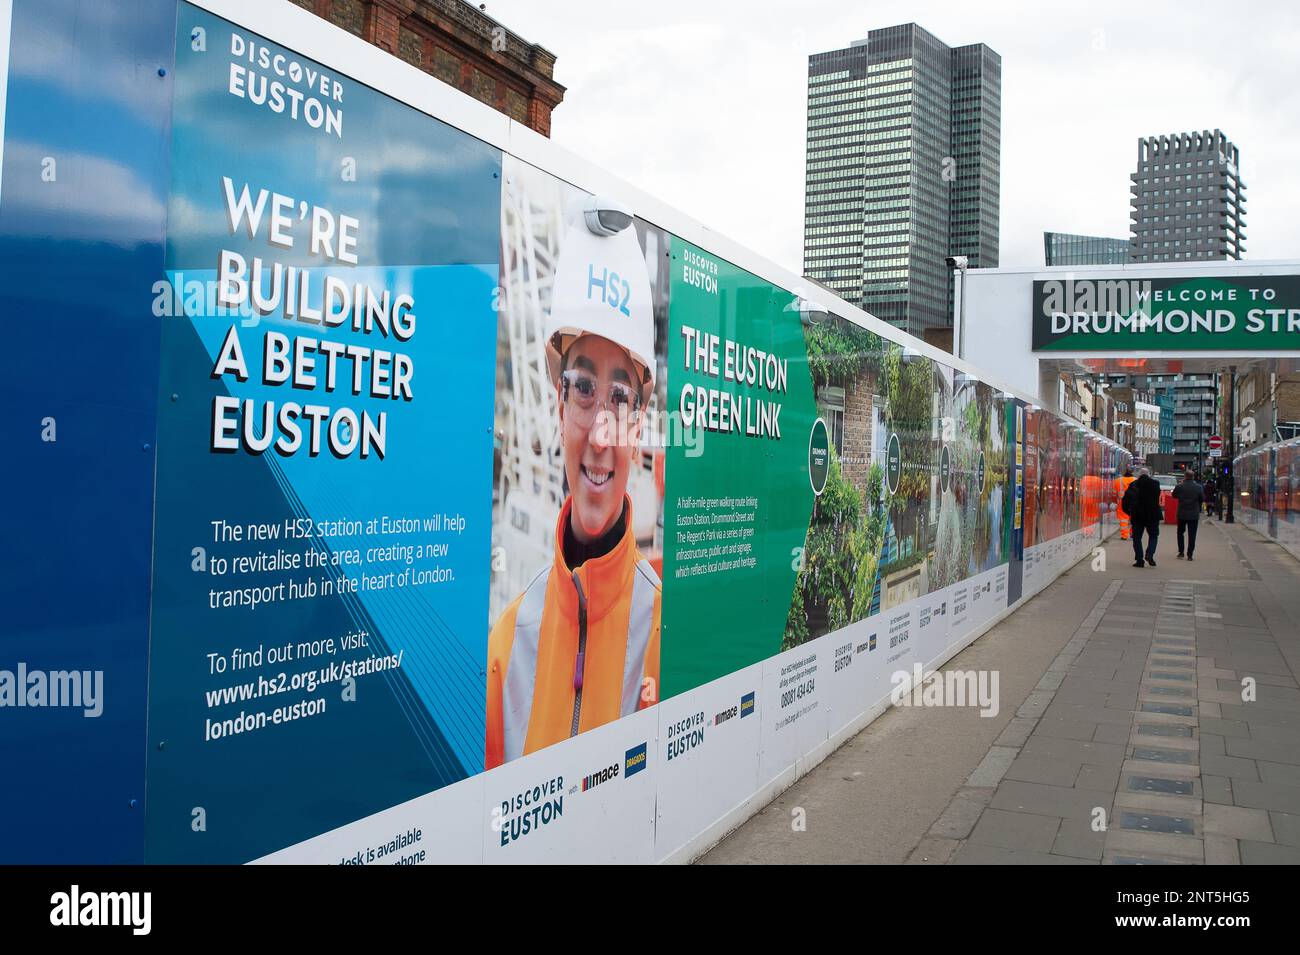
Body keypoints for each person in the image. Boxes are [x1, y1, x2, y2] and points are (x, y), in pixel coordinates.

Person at [486, 209, 661, 770]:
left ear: (639, 424)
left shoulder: (669, 631)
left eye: (620, 398)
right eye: (584, 389)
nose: (602, 434)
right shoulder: (506, 647)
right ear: (558, 405)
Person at [1127, 467, 1163, 567]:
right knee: (1153, 535)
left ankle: (1139, 560)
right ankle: (1150, 554)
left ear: (1139, 475)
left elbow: (1126, 499)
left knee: (1137, 538)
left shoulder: (1134, 485)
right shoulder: (1155, 484)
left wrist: (1129, 512)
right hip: (1152, 514)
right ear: (1149, 474)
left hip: (1137, 515)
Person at [1172, 469, 1205, 560]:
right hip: (1194, 513)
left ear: (1185, 476)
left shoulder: (1180, 486)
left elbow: (1174, 495)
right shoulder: (1198, 487)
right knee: (1192, 534)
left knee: (1180, 533)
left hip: (1182, 512)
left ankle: (1181, 551)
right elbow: (1202, 498)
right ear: (1193, 476)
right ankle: (1190, 554)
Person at [1116, 467, 1135, 540]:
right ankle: (1133, 534)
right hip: (1134, 503)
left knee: (1123, 520)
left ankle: (1124, 535)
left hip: (1122, 502)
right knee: (1134, 519)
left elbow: (1114, 493)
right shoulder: (1136, 480)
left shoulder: (1118, 480)